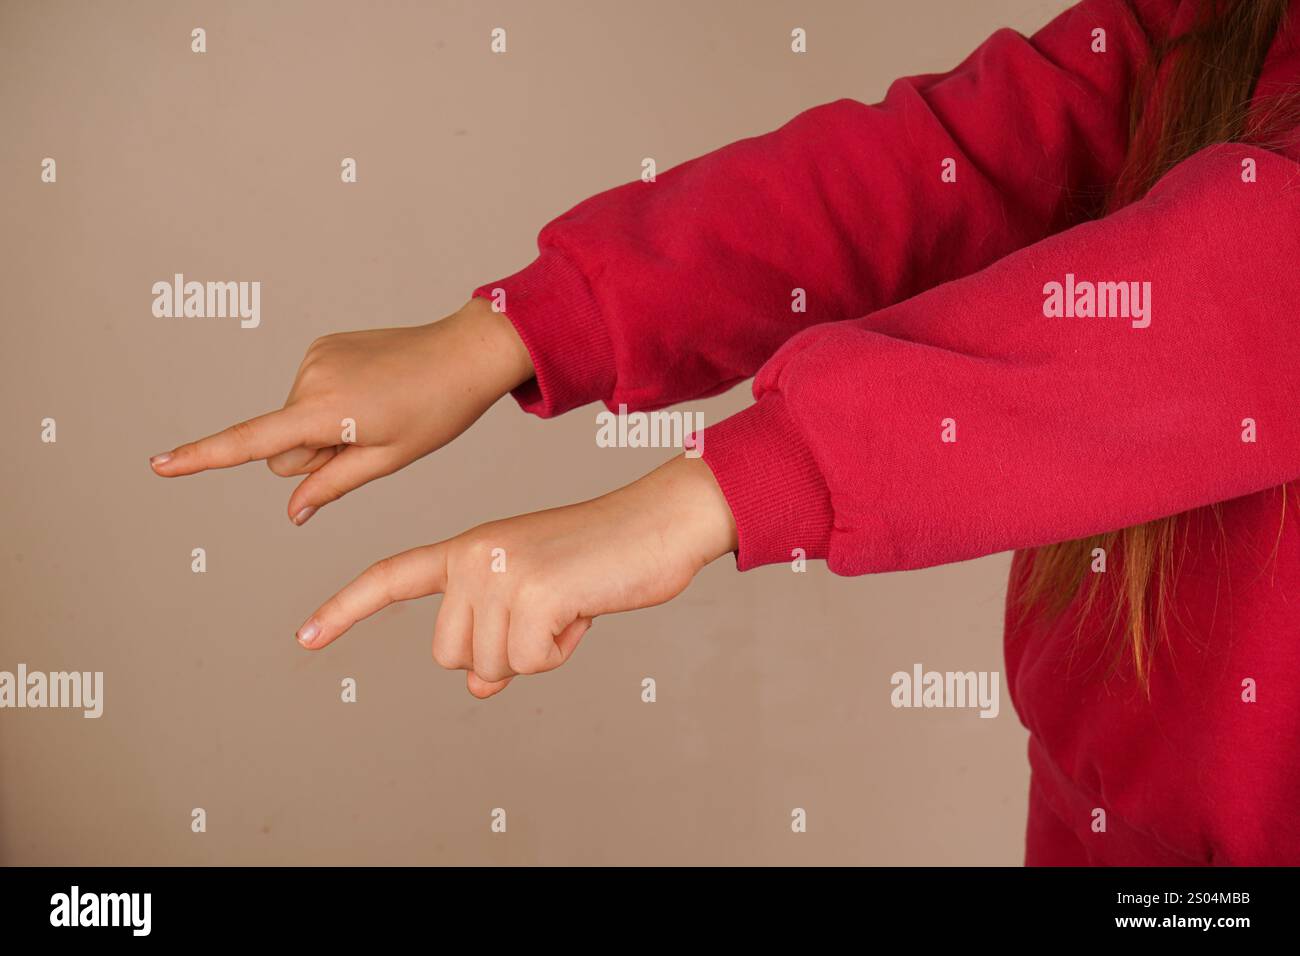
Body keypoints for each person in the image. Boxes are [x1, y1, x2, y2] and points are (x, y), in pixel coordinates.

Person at [148, 0, 1300, 864]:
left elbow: (1247, 282)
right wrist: (510, 328)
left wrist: (708, 495)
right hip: (1111, 815)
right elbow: (958, 156)